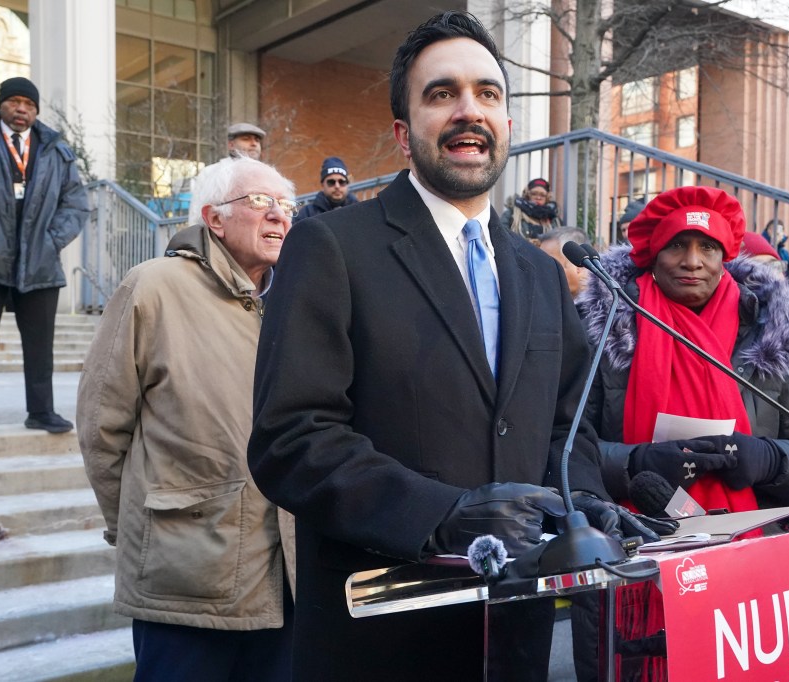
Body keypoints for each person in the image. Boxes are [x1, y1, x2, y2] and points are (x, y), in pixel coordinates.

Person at [246, 12, 655, 681]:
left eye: (488, 94)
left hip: (513, 640)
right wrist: (443, 515)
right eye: (443, 94)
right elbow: (291, 440)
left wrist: (581, 502)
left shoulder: (540, 272)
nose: (470, 111)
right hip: (383, 644)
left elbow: (565, 427)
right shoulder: (332, 247)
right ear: (405, 134)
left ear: (508, 125)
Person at [575, 186, 789, 681]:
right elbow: (566, 449)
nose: (692, 261)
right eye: (677, 245)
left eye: (708, 247)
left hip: (746, 568)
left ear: (725, 255)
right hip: (628, 559)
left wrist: (770, 459)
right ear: (652, 253)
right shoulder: (602, 332)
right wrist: (635, 465)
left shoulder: (769, 338)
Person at [77, 156, 297, 681]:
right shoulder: (152, 287)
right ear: (213, 218)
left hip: (285, 574)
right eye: (260, 202)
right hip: (186, 575)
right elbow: (101, 428)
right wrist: (142, 524)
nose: (279, 217)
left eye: (287, 206)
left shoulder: (297, 299)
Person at [0, 76, 88, 436]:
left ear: (36, 110)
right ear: (1, 105)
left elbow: (75, 203)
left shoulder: (55, 149)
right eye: (14, 102)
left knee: (40, 342)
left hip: (40, 260)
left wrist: (52, 239)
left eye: (29, 104)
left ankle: (42, 411)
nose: (21, 109)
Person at [538, 226, 590, 298]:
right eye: (539, 262)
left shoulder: (605, 306)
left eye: (548, 263)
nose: (540, 270)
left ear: (580, 266)